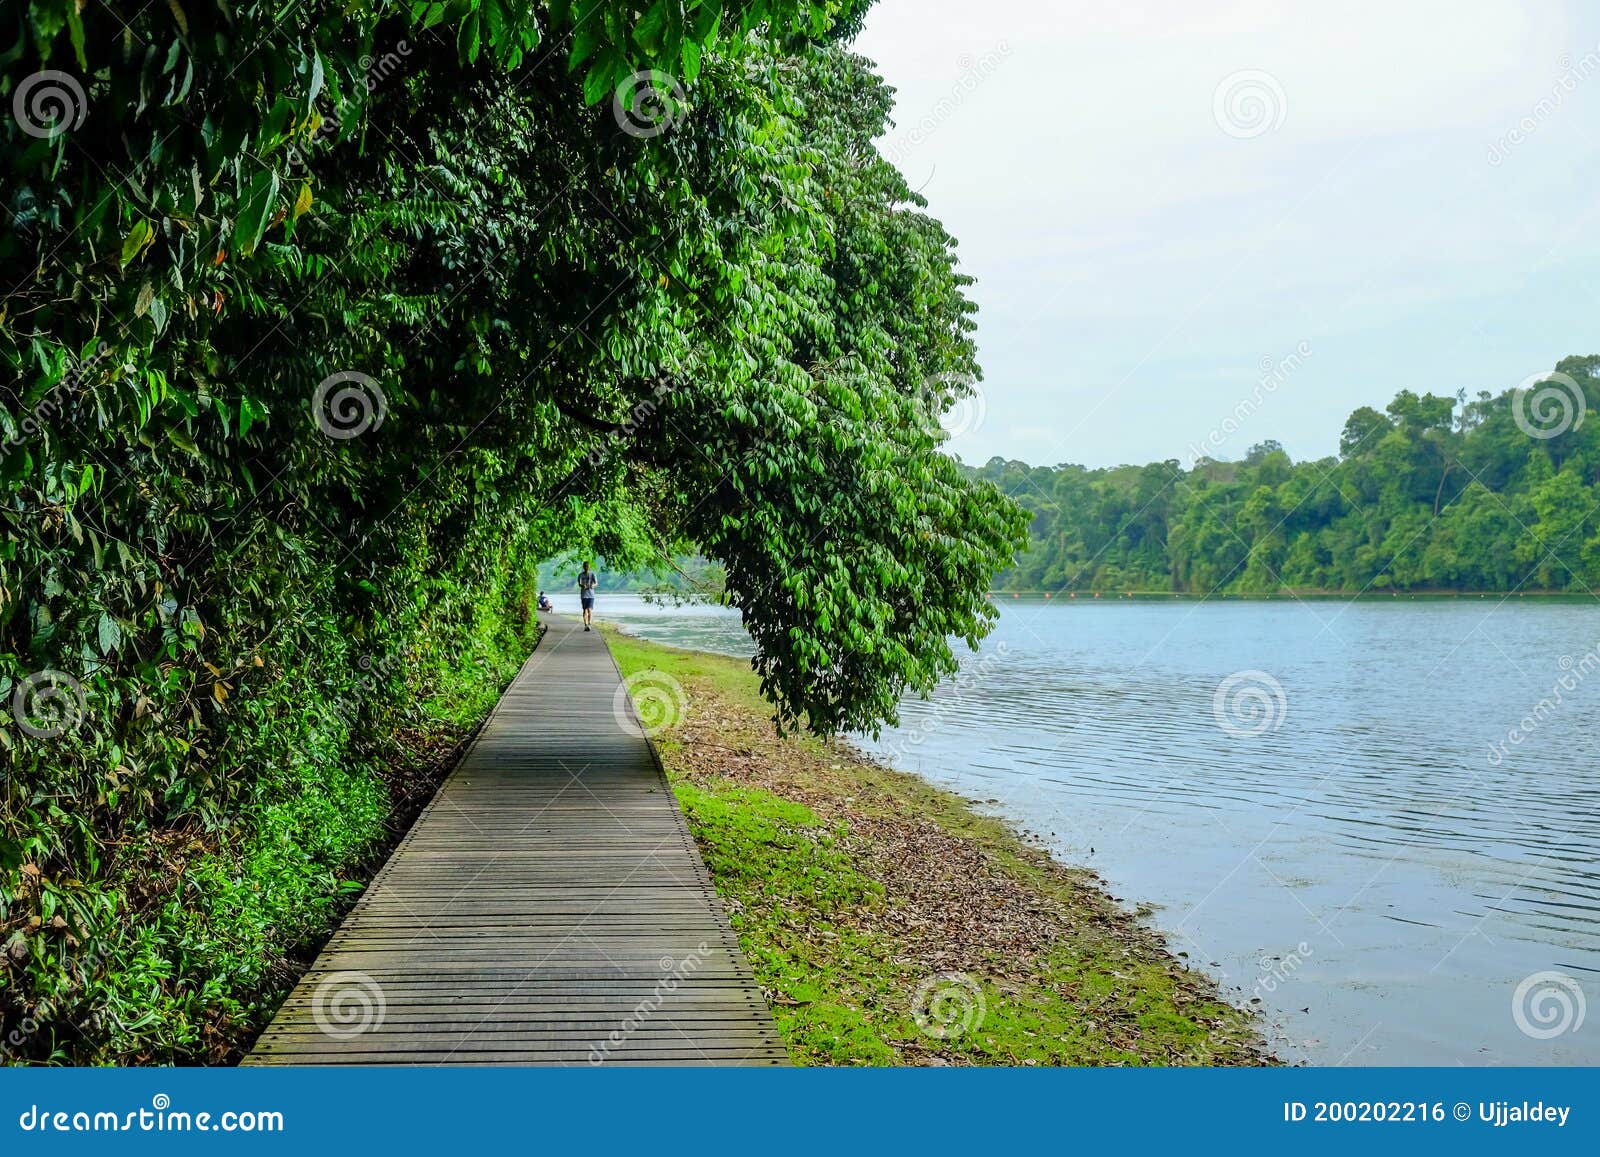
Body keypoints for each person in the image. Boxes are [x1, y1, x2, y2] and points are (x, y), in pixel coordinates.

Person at [577, 561, 598, 630]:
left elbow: (596, 583)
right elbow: (579, 583)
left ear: (589, 567)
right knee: (585, 610)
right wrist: (583, 585)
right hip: (584, 595)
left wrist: (593, 585)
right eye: (585, 566)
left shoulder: (592, 574)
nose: (586, 567)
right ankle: (585, 625)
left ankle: (589, 624)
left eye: (587, 566)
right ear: (583, 567)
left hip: (591, 595)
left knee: (589, 609)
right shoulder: (580, 575)